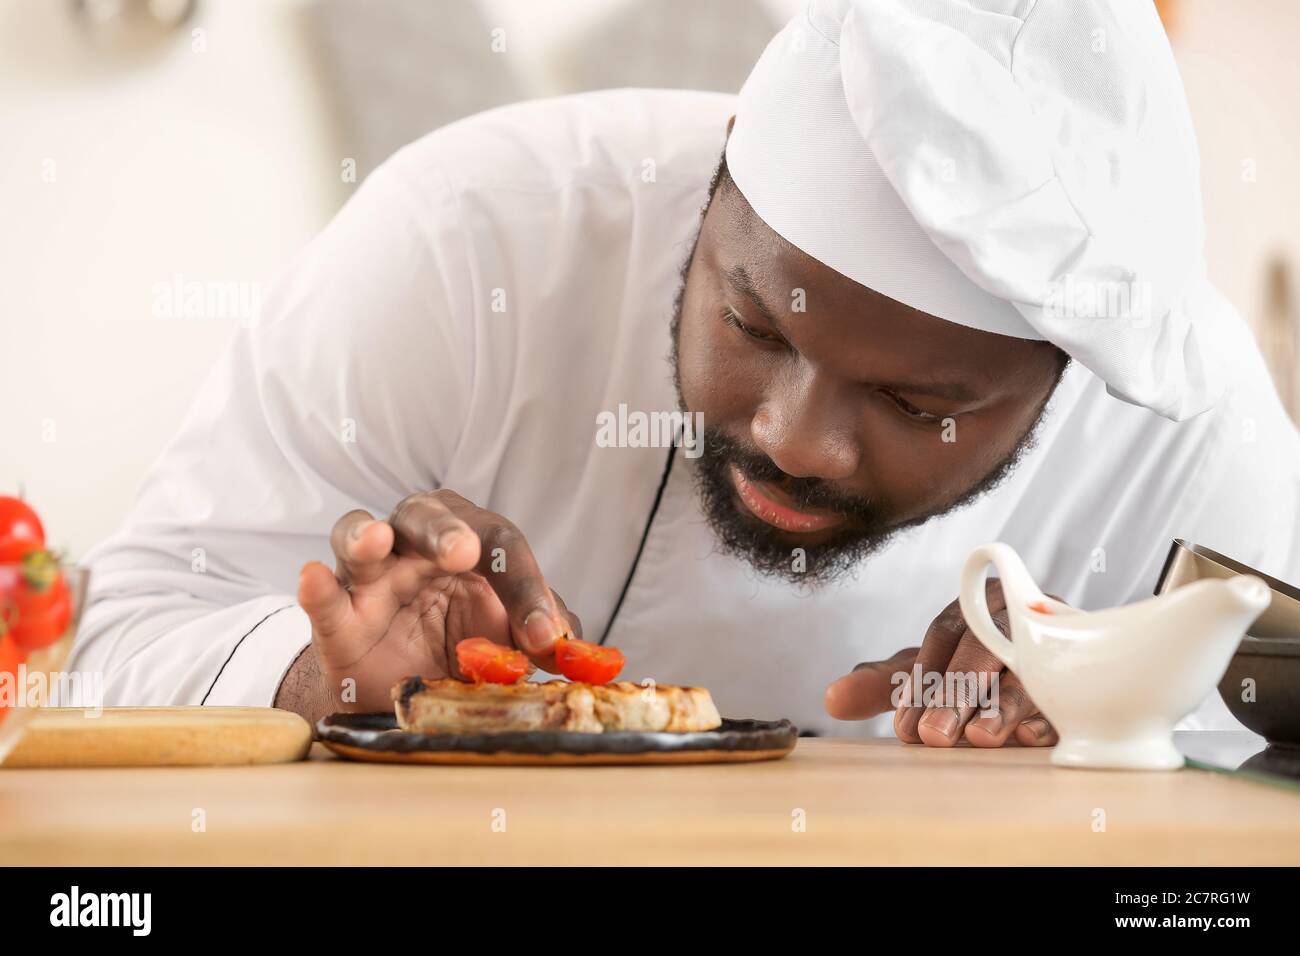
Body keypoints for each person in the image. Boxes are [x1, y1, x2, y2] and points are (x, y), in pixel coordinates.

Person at [66, 0, 1300, 744]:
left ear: (1063, 372)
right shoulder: (471, 236)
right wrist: (312, 671)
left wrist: (1127, 705)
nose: (798, 437)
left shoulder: (1181, 408)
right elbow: (115, 649)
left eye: (921, 403)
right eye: (755, 323)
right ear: (710, 183)